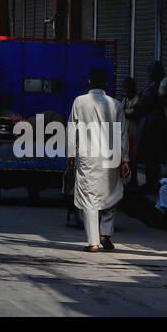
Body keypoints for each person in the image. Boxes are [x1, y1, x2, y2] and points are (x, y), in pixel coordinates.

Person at [66, 68, 130, 253]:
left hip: (88, 156)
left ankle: (93, 242)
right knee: (112, 194)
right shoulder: (116, 104)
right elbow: (122, 134)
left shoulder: (79, 101)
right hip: (111, 156)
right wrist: (125, 159)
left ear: (89, 82)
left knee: (89, 197)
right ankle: (106, 233)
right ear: (106, 84)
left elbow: (72, 128)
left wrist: (70, 154)